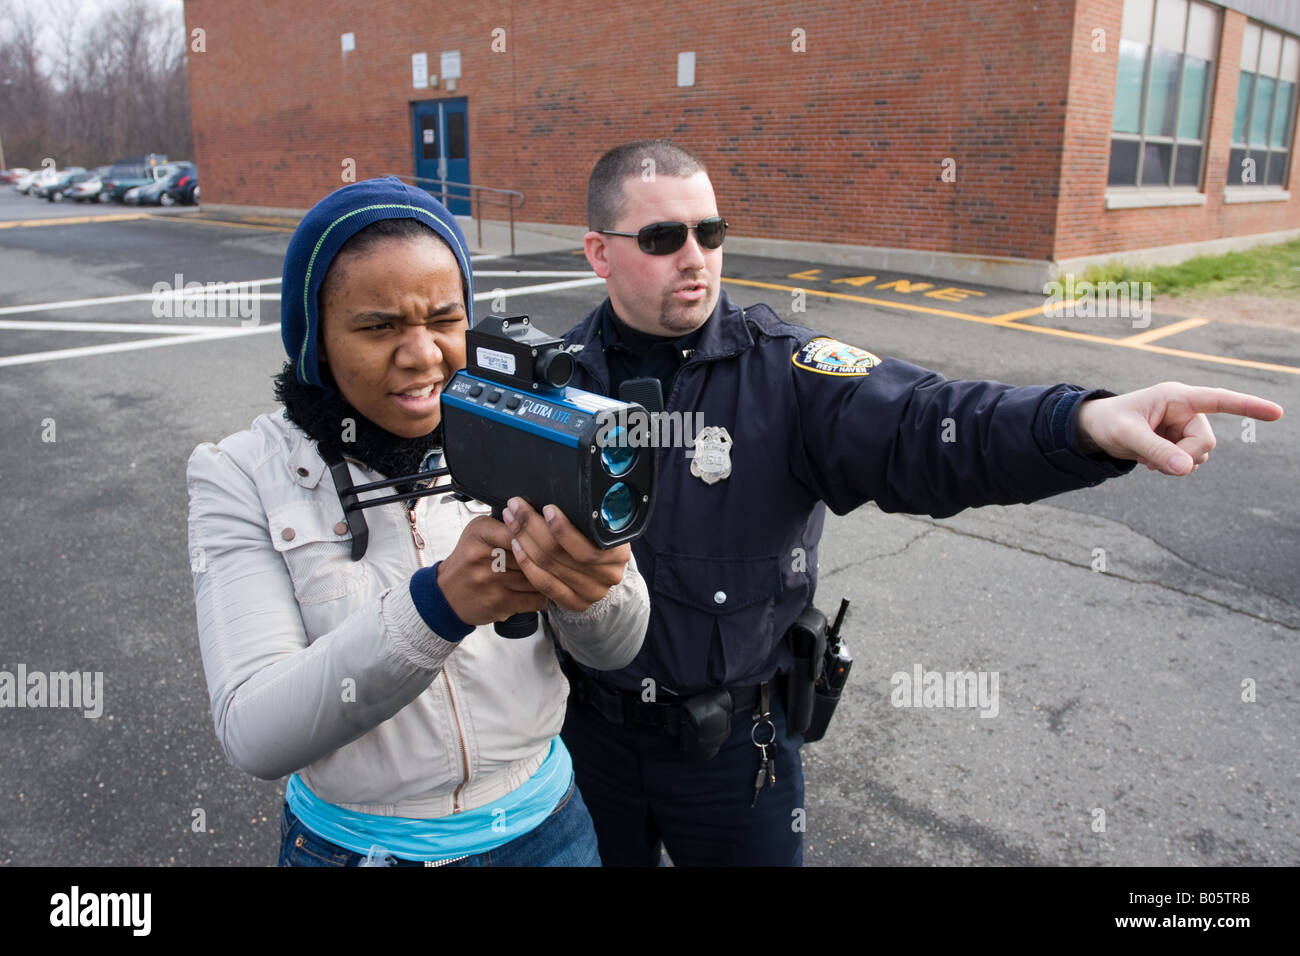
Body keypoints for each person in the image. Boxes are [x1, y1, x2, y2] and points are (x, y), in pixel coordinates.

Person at [556, 139, 1284, 867]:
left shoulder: (786, 372)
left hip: (734, 759)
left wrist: (1083, 424)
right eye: (663, 238)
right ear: (599, 252)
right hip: (583, 739)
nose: (697, 257)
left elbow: (927, 424)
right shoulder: (553, 381)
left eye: (710, 232)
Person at [186, 176, 649, 867]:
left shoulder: (530, 426)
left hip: (549, 831)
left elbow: (620, 647)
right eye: (378, 326)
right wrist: (438, 607)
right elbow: (255, 732)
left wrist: (590, 593)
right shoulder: (242, 472)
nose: (423, 355)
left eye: (443, 320)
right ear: (314, 338)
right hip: (356, 849)